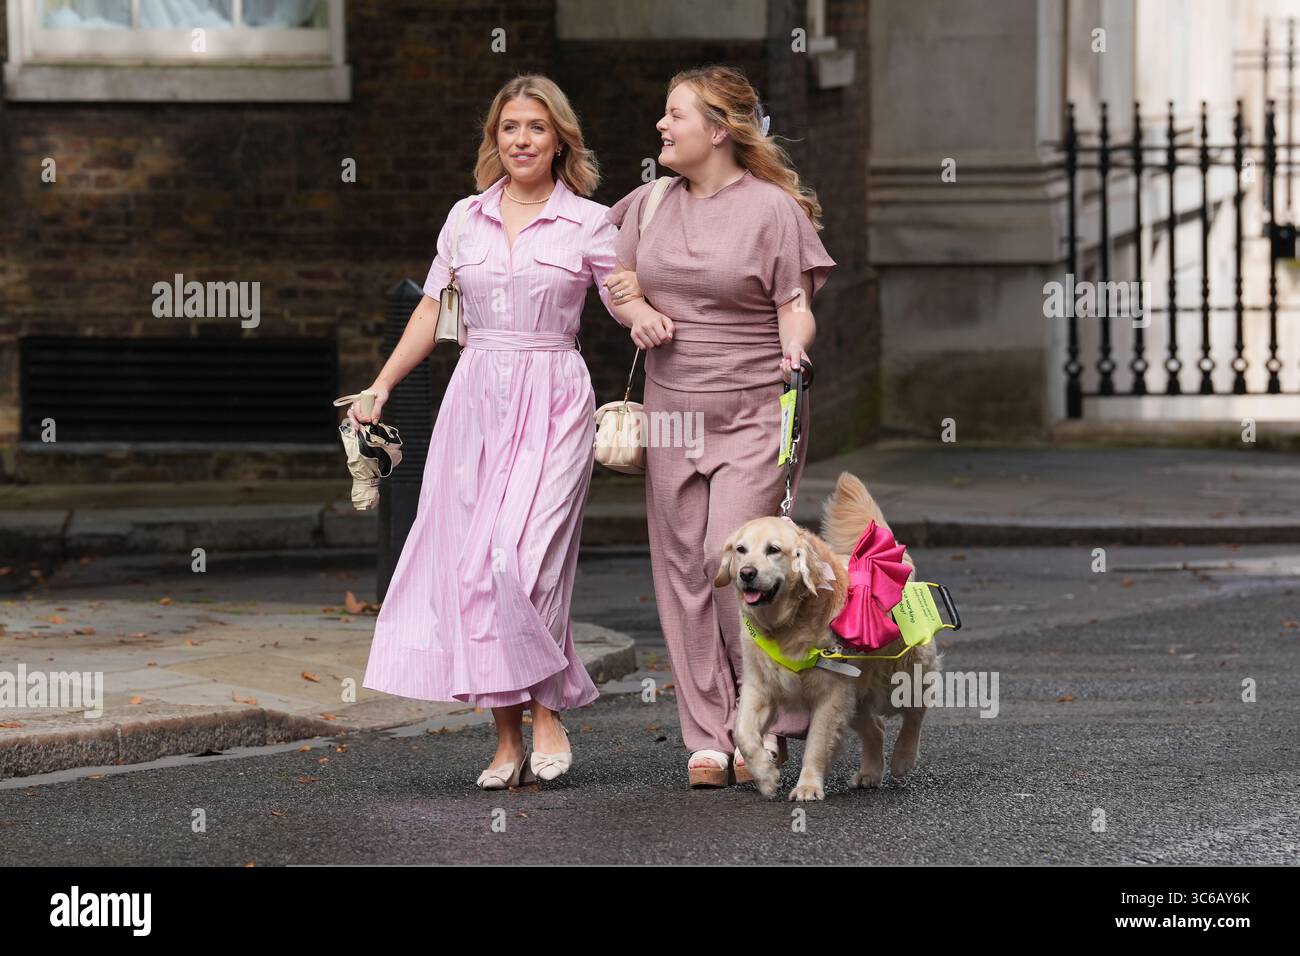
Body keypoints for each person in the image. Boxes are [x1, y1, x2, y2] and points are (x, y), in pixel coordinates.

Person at [357, 75, 622, 790]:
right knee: (475, 571)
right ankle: (506, 737)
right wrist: (380, 385)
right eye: (510, 127)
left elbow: (623, 298)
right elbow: (431, 314)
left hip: (554, 396)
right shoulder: (464, 218)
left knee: (524, 561)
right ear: (494, 139)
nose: (522, 140)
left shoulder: (589, 222)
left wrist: (651, 317)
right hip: (475, 400)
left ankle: (547, 709)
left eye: (536, 127)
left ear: (559, 138)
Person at [605, 65, 837, 787]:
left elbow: (795, 299)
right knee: (683, 573)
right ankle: (708, 736)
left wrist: (796, 339)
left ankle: (764, 722)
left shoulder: (771, 210)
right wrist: (636, 311)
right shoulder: (646, 205)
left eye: (674, 115)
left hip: (753, 410)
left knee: (732, 559)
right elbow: (616, 280)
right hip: (674, 412)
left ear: (718, 129)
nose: (661, 127)